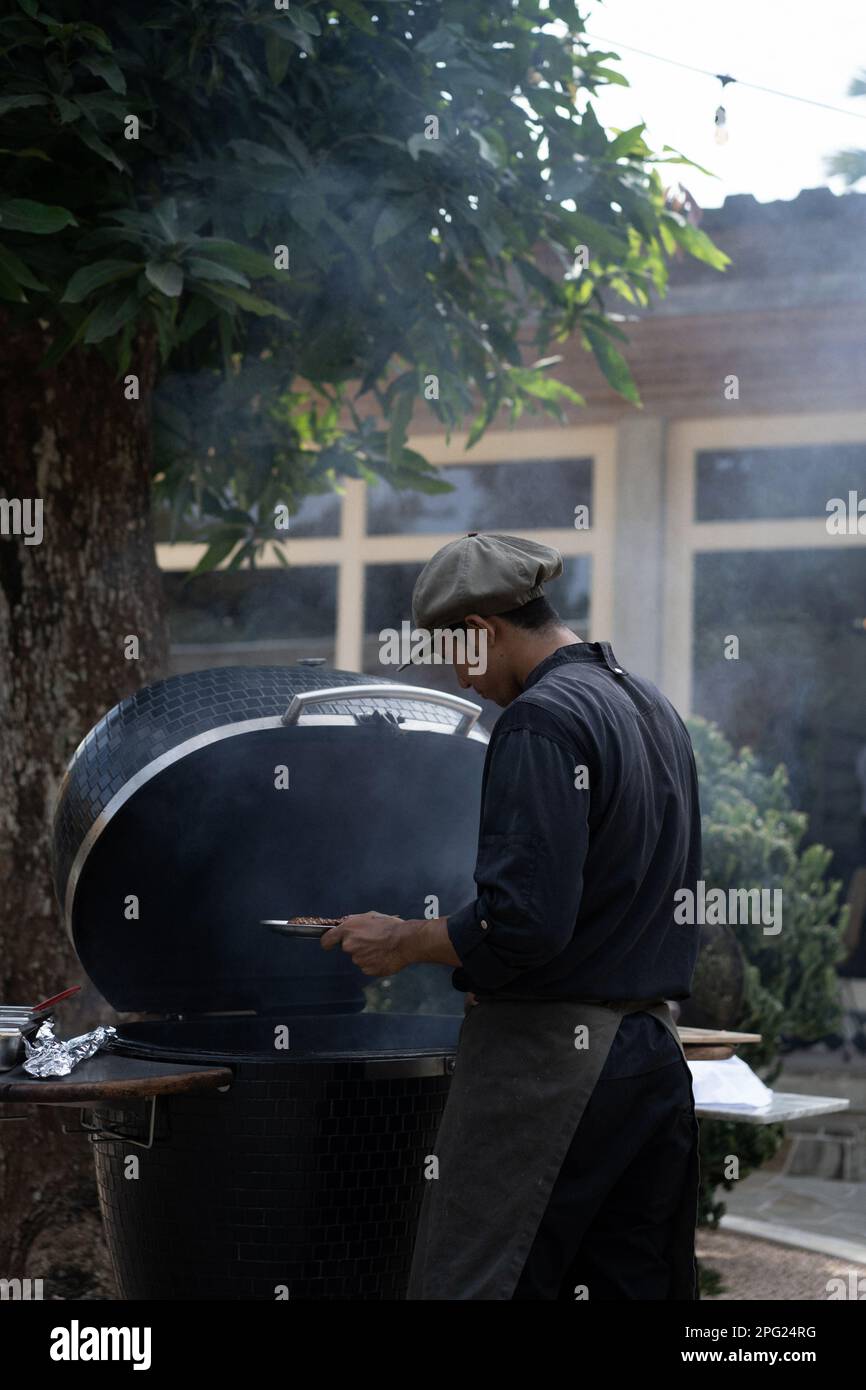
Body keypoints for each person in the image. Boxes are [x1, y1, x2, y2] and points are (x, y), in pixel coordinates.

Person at [322, 531, 702, 1300]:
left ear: (483, 631)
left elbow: (523, 922)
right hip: (652, 1058)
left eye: (450, 651)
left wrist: (405, 940)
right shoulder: (648, 704)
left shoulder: (540, 721)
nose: (456, 679)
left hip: (552, 1070)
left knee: (478, 1285)